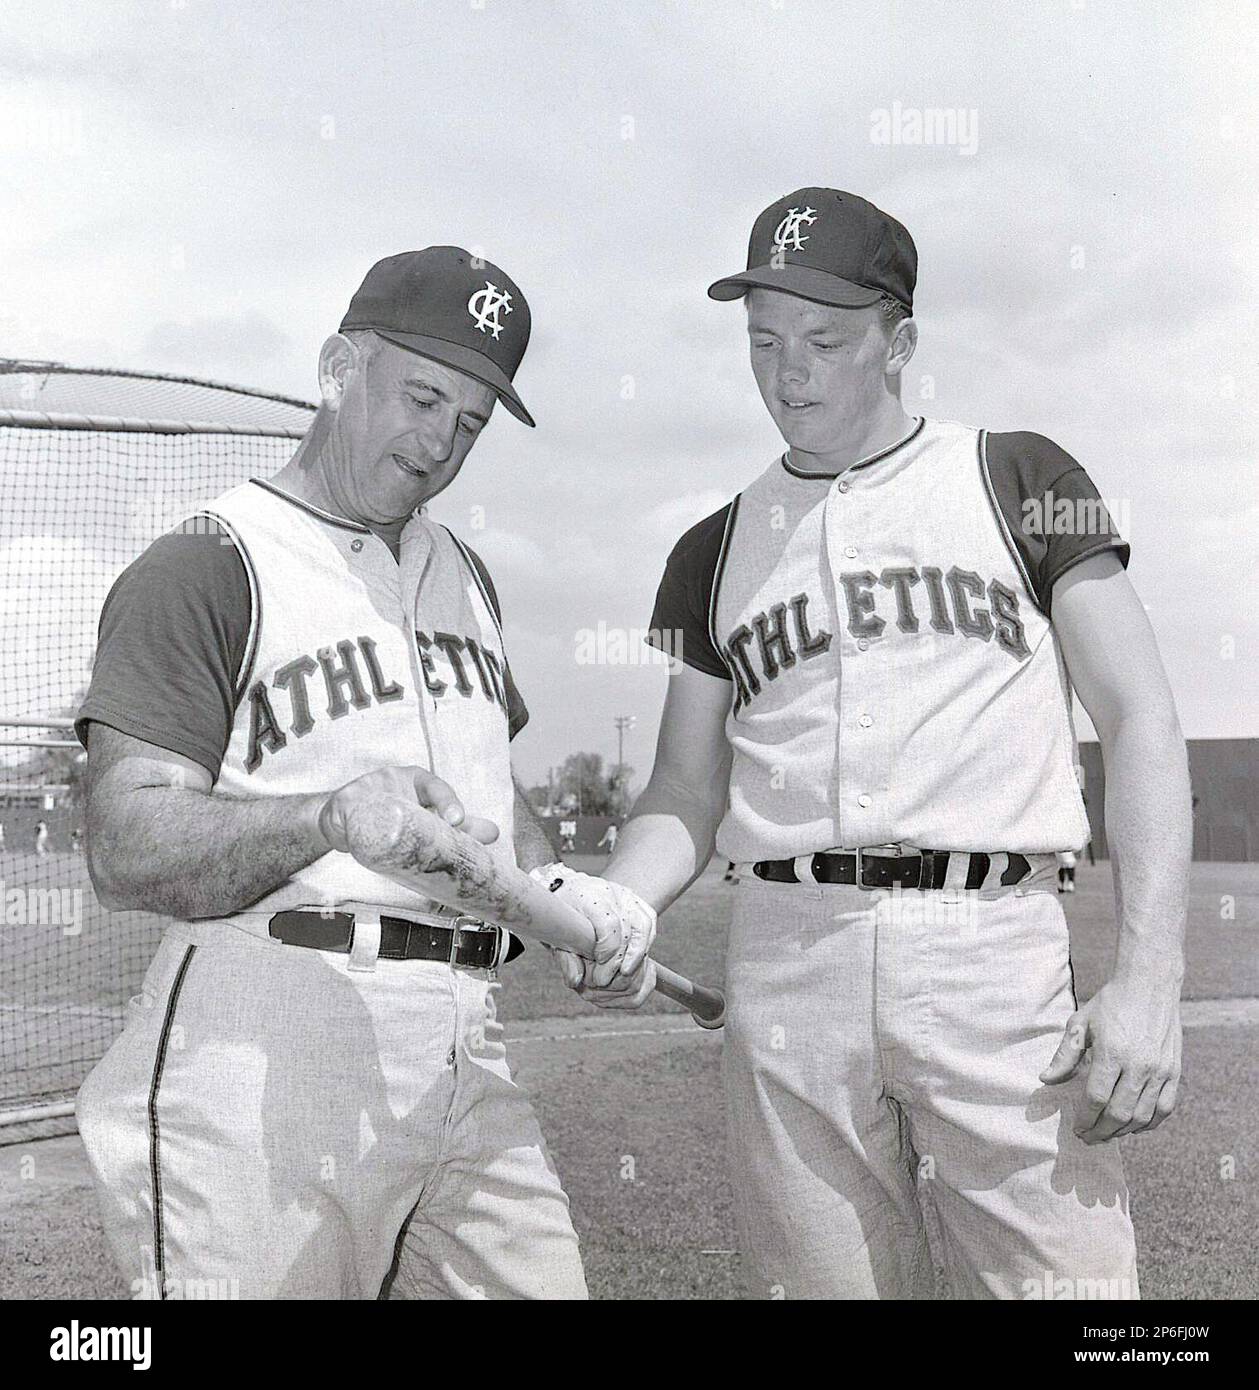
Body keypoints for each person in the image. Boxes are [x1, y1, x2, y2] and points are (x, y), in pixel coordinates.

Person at [550, 189, 1190, 1299]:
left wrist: (1147, 975)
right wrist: (621, 900)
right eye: (761, 342)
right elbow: (683, 792)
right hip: (789, 956)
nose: (786, 373)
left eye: (823, 340)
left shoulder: (1024, 478)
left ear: (898, 343)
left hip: (992, 949)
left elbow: (1139, 719)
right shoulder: (710, 548)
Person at [74, 247, 651, 1301]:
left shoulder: (460, 574)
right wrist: (325, 818)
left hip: (461, 1041)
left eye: (470, 421)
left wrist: (572, 902)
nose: (438, 442)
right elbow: (126, 841)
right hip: (271, 1030)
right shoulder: (210, 562)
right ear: (340, 365)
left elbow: (496, 807)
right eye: (423, 395)